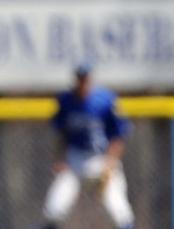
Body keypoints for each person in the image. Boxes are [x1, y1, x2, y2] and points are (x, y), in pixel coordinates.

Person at [41, 64, 135, 229]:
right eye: (80, 78)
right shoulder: (65, 100)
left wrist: (110, 163)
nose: (82, 82)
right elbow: (62, 134)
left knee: (118, 212)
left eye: (85, 78)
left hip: (102, 158)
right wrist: (60, 158)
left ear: (90, 79)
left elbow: (118, 135)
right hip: (75, 159)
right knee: (54, 210)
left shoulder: (106, 100)